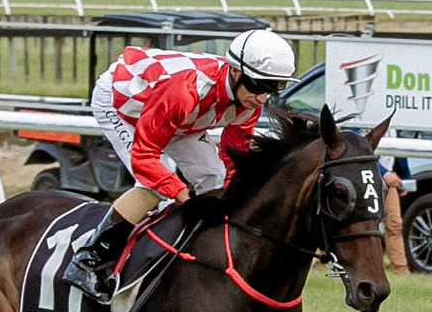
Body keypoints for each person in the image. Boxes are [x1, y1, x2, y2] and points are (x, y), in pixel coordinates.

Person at [59, 26, 296, 298]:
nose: (263, 98)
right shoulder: (186, 89)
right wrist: (185, 197)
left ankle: (200, 250)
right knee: (154, 184)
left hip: (178, 116)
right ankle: (87, 261)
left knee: (215, 178)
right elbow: (144, 157)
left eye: (273, 88)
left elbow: (233, 157)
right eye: (259, 86)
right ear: (235, 72)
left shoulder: (249, 102)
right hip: (121, 103)